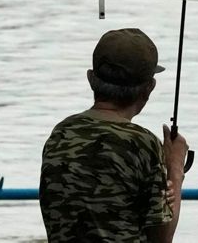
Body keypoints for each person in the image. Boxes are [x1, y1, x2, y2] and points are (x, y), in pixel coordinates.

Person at [40, 28, 189, 242]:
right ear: (149, 88)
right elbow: (161, 238)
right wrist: (175, 168)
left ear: (91, 79)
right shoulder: (142, 144)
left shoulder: (61, 133)